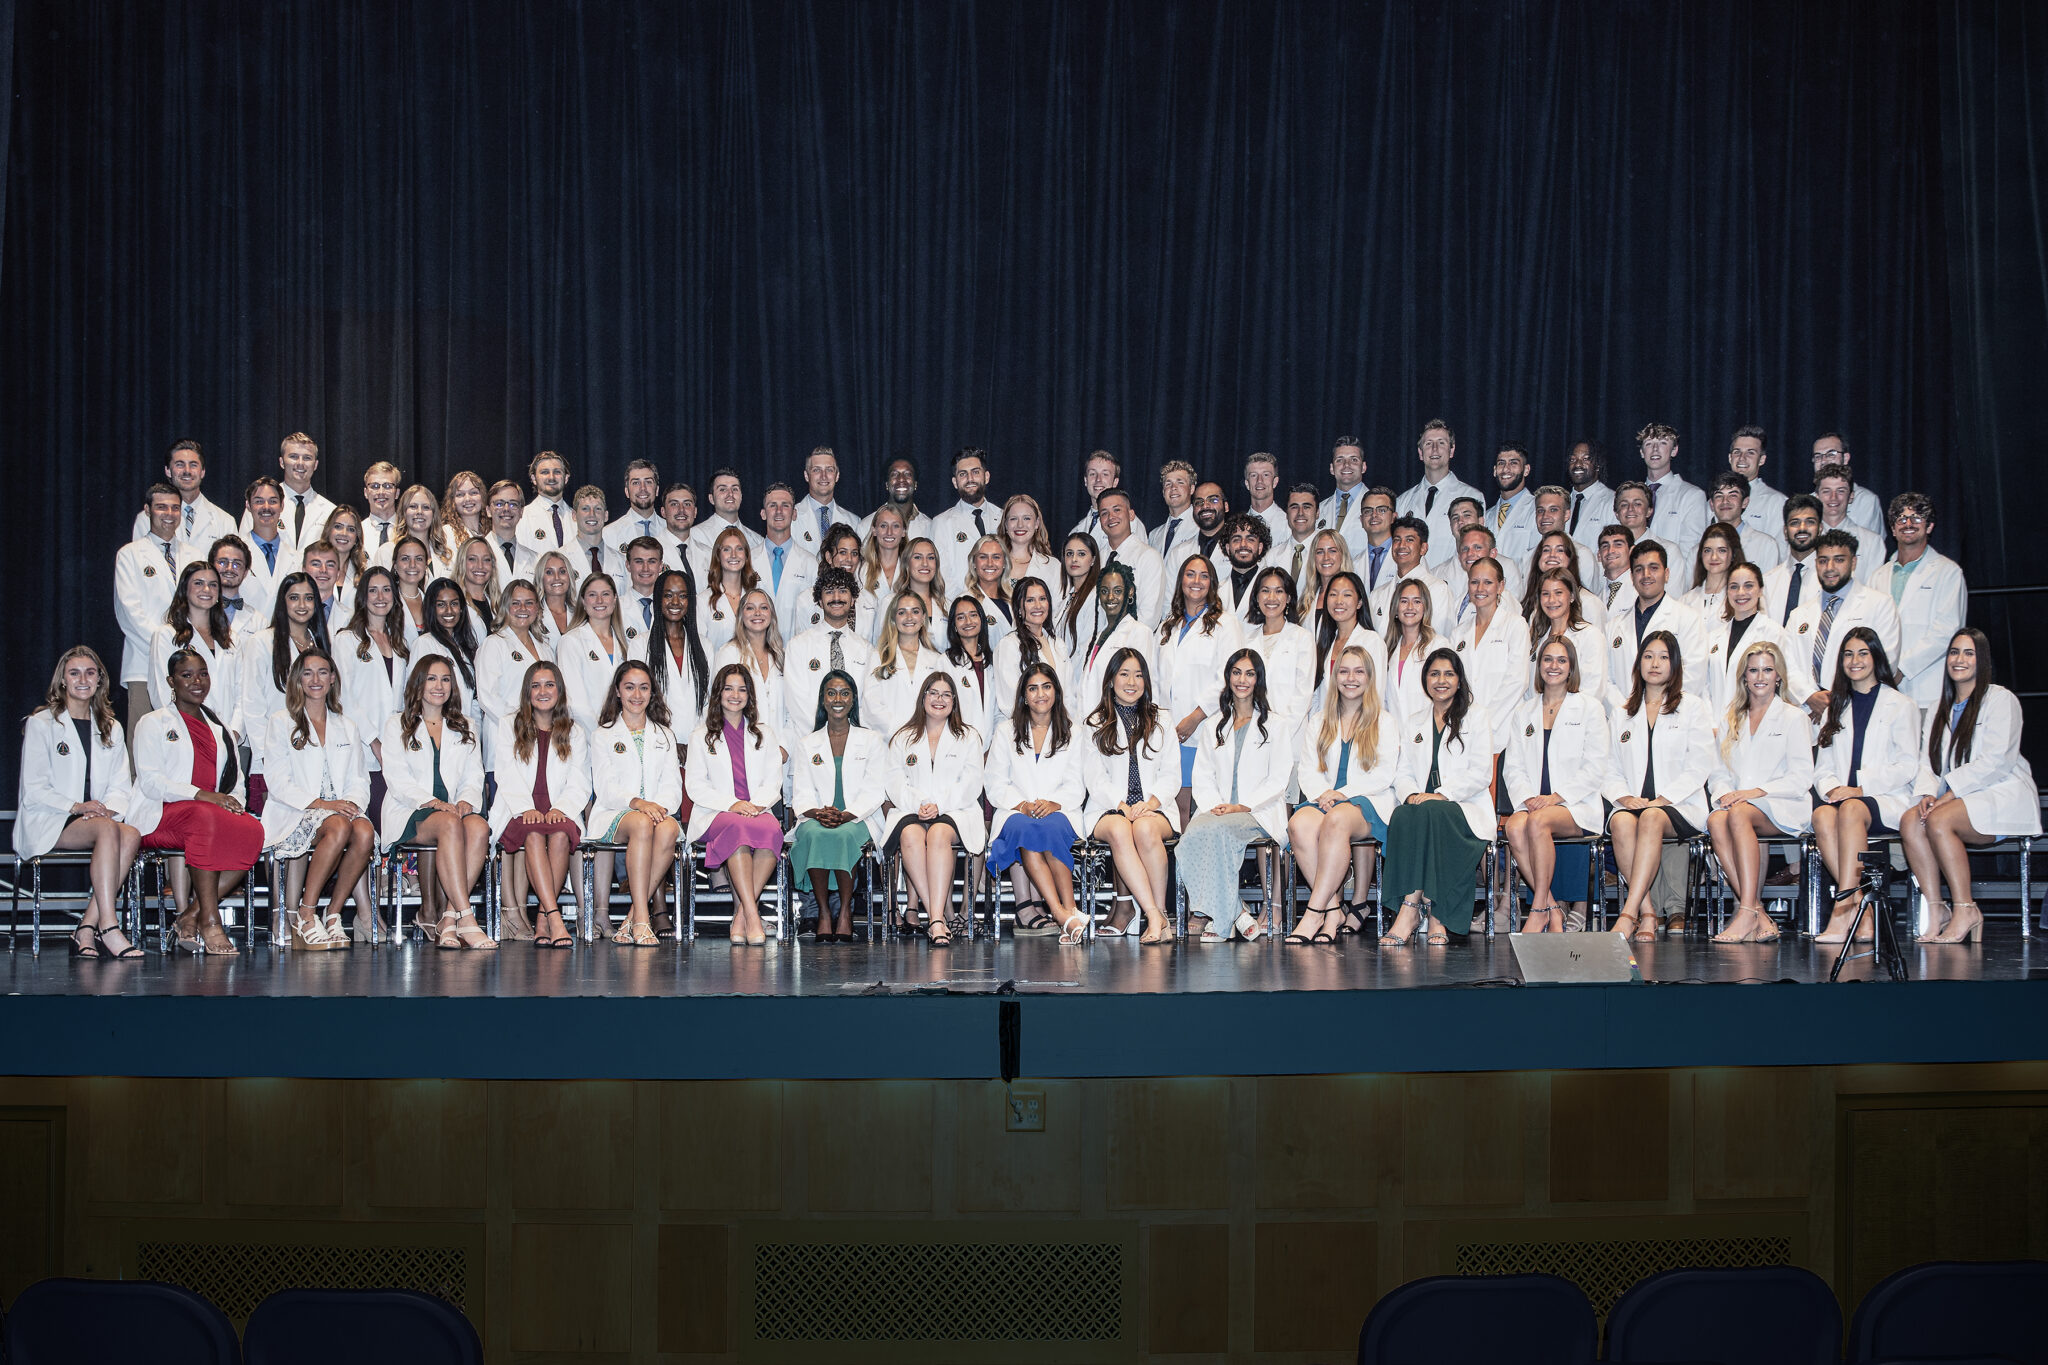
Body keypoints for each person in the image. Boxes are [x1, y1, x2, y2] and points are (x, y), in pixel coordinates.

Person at [1902, 628, 2041, 944]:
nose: (1959, 659)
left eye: (1968, 653)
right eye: (1954, 652)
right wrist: (1928, 793)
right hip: (1958, 798)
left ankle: (1965, 908)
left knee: (1939, 819)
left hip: (2001, 793)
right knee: (1911, 820)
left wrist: (1950, 793)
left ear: (1982, 660)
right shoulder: (1939, 707)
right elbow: (1927, 762)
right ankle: (1937, 908)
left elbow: (1997, 761)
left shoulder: (2000, 699)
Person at [15, 647, 150, 958]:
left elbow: (121, 785)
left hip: (95, 818)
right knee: (107, 829)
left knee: (131, 834)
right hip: (50, 817)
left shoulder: (111, 726)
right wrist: (78, 807)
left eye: (90, 673)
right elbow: (34, 788)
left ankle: (86, 927)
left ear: (100, 679)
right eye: (74, 673)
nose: (83, 679)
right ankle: (109, 926)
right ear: (62, 680)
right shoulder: (42, 723)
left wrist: (106, 809)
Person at [134, 649, 265, 954]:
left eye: (203, 674)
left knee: (253, 830)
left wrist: (232, 801)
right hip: (161, 814)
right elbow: (151, 782)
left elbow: (235, 781)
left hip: (208, 813)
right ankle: (210, 920)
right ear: (171, 681)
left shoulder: (220, 727)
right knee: (204, 818)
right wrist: (202, 795)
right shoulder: (152, 722)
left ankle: (190, 915)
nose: (197, 681)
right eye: (187, 675)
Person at [1500, 638, 1623, 932]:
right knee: (1514, 827)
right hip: (1534, 804)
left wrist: (1556, 797)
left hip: (1575, 805)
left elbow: (1596, 765)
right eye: (1547, 659)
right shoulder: (1523, 712)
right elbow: (1513, 767)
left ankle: (1538, 908)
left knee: (1537, 822)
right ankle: (1552, 907)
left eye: (1561, 660)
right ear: (1539, 665)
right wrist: (1528, 797)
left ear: (1571, 668)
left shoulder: (1589, 708)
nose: (1553, 666)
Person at [1809, 628, 1921, 943]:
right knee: (1821, 815)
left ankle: (1843, 907)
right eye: (1848, 654)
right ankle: (1863, 909)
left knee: (1851, 810)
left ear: (1876, 658)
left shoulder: (1901, 704)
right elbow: (1823, 768)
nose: (1854, 660)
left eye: (1862, 653)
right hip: (1844, 801)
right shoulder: (1836, 706)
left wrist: (1859, 789)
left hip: (1886, 798)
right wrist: (1832, 789)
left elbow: (1908, 766)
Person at [262, 648, 377, 949]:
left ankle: (333, 913)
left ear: (333, 679)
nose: (315, 679)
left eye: (322, 672)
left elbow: (359, 779)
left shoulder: (347, 725)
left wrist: (351, 804)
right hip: (296, 809)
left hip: (339, 809)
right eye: (308, 673)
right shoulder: (281, 721)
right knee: (338, 826)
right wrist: (324, 805)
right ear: (298, 680)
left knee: (365, 831)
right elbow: (277, 781)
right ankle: (306, 913)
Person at [1381, 648, 1496, 946]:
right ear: (1425, 680)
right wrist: (1411, 795)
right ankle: (1416, 908)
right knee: (1402, 814)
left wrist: (1441, 795)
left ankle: (1427, 912)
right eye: (1434, 674)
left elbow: (1481, 772)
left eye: (1448, 674)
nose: (1441, 680)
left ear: (1459, 680)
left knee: (1433, 812)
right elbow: (1402, 770)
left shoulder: (1476, 716)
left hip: (1465, 809)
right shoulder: (1414, 721)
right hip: (1424, 809)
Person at [378, 654, 493, 950]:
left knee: (479, 827)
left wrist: (466, 800)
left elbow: (474, 774)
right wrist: (432, 802)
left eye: (445, 679)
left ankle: (449, 917)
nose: (439, 686)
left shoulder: (465, 725)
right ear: (418, 683)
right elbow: (397, 779)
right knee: (450, 824)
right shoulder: (396, 724)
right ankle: (466, 918)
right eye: (431, 679)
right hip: (410, 810)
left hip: (452, 809)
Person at [1606, 632, 1715, 940]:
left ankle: (1628, 913)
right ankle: (1648, 912)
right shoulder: (1622, 713)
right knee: (1621, 822)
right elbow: (1608, 767)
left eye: (1663, 657)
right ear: (1638, 663)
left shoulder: (1692, 707)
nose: (1655, 663)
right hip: (1635, 804)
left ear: (1674, 664)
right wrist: (1624, 797)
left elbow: (1700, 764)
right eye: (1648, 656)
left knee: (1653, 817)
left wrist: (1664, 799)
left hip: (1679, 805)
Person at [1706, 641, 1816, 944]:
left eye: (1767, 670)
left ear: (1778, 676)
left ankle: (1745, 911)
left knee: (1739, 814)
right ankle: (1756, 911)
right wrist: (1726, 794)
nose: (1760, 677)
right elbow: (1718, 773)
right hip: (1742, 804)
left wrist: (1755, 792)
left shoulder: (1794, 717)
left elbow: (1801, 777)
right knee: (1716, 820)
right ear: (1744, 676)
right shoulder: (1732, 717)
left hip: (1784, 804)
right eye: (1753, 670)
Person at [1179, 650, 1292, 943]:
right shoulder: (1214, 725)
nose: (1242, 680)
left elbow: (1278, 778)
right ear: (1228, 677)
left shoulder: (1276, 724)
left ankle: (1222, 920)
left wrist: (1242, 806)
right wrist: (1216, 806)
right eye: (1237, 672)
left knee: (1217, 832)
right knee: (1189, 838)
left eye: (1250, 673)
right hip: (1217, 811)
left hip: (1258, 811)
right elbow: (1203, 775)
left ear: (1258, 680)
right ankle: (1235, 911)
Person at [1286, 645, 1396, 941]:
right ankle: (1333, 909)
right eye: (1344, 671)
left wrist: (1341, 794)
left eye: (1359, 672)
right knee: (1298, 824)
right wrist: (1324, 794)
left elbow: (1384, 774)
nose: (1351, 678)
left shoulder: (1384, 721)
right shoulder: (1319, 719)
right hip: (1324, 799)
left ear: (1370, 678)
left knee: (1336, 820)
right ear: (1335, 677)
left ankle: (1313, 914)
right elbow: (1307, 769)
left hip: (1368, 802)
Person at [1078, 648, 1181, 942]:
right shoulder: (1094, 723)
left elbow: (1172, 773)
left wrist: (1150, 804)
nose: (1132, 682)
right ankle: (1155, 916)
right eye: (1124, 674)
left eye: (1138, 675)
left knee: (1145, 828)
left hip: (1155, 806)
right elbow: (1095, 778)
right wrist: (1122, 806)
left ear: (1146, 681)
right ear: (1111, 680)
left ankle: (1159, 913)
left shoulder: (1162, 719)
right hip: (1108, 807)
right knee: (1121, 829)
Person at [685, 664, 789, 947]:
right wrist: (733, 804)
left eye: (742, 689)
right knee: (738, 828)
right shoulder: (700, 736)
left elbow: (773, 780)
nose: (735, 695)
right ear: (719, 693)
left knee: (771, 830)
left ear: (749, 696)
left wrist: (754, 806)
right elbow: (695, 786)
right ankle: (753, 916)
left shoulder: (764, 734)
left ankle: (741, 915)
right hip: (716, 813)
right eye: (729, 688)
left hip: (756, 810)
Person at [882, 671, 988, 944]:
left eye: (946, 695)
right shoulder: (903, 737)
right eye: (933, 693)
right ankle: (937, 918)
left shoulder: (968, 737)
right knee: (910, 835)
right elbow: (894, 782)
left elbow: (972, 782)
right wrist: (919, 804)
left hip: (957, 810)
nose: (939, 699)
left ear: (954, 701)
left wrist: (939, 804)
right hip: (912, 810)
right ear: (923, 697)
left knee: (939, 833)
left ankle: (935, 918)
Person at [986, 662, 1089, 942]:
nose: (1040, 694)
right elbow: (995, 782)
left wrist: (1055, 803)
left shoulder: (1074, 732)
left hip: (1060, 809)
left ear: (1056, 691)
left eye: (1046, 687)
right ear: (1023, 696)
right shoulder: (1006, 731)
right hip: (1015, 810)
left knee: (1049, 828)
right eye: (1032, 688)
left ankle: (1065, 910)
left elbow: (1077, 783)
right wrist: (1021, 805)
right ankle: (1064, 913)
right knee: (1024, 828)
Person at [587, 660, 685, 944]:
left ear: (652, 692)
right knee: (642, 823)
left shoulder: (664, 734)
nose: (637, 695)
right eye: (629, 687)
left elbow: (672, 785)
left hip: (656, 812)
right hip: (615, 813)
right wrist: (640, 804)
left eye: (644, 687)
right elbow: (605, 788)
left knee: (669, 828)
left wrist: (658, 808)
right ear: (618, 691)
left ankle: (632, 918)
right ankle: (643, 917)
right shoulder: (603, 734)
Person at [789, 670, 885, 942]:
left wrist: (845, 816)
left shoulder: (871, 740)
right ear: (823, 700)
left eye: (844, 693)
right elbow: (802, 792)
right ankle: (822, 911)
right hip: (817, 817)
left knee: (843, 835)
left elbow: (874, 789)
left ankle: (844, 912)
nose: (838, 699)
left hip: (858, 818)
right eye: (831, 693)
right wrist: (819, 814)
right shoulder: (808, 743)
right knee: (813, 833)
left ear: (853, 699)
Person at [1157, 553, 1246, 821]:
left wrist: (1195, 717)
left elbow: (1230, 677)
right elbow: (1157, 678)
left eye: (1204, 576)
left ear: (1212, 583)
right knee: (1176, 809)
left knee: (1202, 809)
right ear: (1180, 580)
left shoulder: (1225, 624)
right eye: (1190, 574)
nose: (1196, 581)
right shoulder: (1168, 626)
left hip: (1205, 726)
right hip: (1171, 730)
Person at [1783, 530, 1903, 720]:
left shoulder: (1879, 604)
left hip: (1857, 709)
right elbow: (1786, 663)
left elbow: (1886, 661)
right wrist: (1809, 696)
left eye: (1839, 560)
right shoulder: (1799, 614)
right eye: (1823, 561)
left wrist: (1838, 701)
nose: (1830, 567)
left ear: (1853, 562)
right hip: (1807, 713)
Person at [239, 571, 331, 813]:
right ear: (283, 602)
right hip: (274, 755)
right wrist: (266, 756)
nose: (302, 605)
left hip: (312, 755)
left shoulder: (321, 644)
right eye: (294, 597)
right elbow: (252, 704)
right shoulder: (262, 642)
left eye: (308, 598)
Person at [331, 565, 412, 826]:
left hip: (394, 748)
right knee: (370, 823)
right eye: (373, 590)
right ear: (362, 597)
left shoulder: (399, 643)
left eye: (386, 590)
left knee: (394, 825)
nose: (380, 597)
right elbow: (343, 696)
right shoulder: (347, 639)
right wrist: (374, 741)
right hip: (363, 748)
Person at [117, 483, 200, 730]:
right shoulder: (130, 554)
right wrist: (165, 644)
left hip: (188, 661)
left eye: (175, 508)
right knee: (144, 735)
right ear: (147, 510)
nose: (169, 514)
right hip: (143, 662)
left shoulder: (194, 555)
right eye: (161, 507)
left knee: (185, 738)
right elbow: (129, 612)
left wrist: (183, 647)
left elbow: (201, 608)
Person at [1879, 492, 1967, 711]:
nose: (1908, 524)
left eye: (1917, 518)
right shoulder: (1877, 576)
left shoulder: (1948, 572)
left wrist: (1901, 669)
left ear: (1929, 527)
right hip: (1883, 689)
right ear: (1893, 529)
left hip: (1928, 688)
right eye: (1901, 518)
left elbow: (1946, 631)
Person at [1700, 562, 1811, 713]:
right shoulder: (1714, 637)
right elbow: (1705, 686)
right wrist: (1710, 721)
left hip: (1756, 720)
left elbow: (1786, 677)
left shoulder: (1773, 633)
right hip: (1716, 722)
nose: (1741, 592)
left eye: (1748, 586)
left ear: (1760, 591)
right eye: (1734, 587)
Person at [1449, 558, 1527, 770]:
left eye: (1488, 582)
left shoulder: (1515, 625)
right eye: (1474, 582)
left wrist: (1484, 723)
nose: (1480, 588)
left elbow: (1517, 681)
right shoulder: (1458, 633)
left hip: (1503, 732)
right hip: (1466, 731)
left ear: (1501, 586)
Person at [1606, 541, 1708, 700]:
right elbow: (1607, 680)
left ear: (1666, 574)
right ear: (1632, 577)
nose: (1646, 575)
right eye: (1639, 569)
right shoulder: (1613, 626)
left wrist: (1657, 708)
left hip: (1671, 711)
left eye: (1653, 568)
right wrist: (1625, 709)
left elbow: (1693, 676)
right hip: (1624, 712)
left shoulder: (1688, 619)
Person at [474, 579, 554, 776]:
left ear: (537, 608)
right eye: (515, 603)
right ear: (505, 607)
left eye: (529, 603)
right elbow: (487, 697)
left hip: (542, 740)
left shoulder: (545, 648)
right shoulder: (494, 644)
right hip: (506, 739)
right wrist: (523, 724)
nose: (522, 609)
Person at [149, 562, 240, 733]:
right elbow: (161, 692)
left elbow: (241, 691)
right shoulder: (166, 635)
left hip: (227, 733)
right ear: (185, 589)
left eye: (213, 585)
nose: (206, 589)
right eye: (198, 583)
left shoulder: (232, 638)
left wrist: (234, 732)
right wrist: (186, 731)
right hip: (186, 731)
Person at [784, 567, 875, 729]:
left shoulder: (866, 650)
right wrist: (825, 734)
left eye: (843, 591)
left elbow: (868, 702)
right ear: (820, 601)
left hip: (855, 736)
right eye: (829, 592)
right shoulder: (797, 646)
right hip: (810, 735)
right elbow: (797, 702)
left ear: (853, 600)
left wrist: (850, 734)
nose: (836, 597)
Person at [1072, 562, 1155, 719]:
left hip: (1118, 725)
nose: (1110, 597)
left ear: (1130, 592)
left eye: (1117, 591)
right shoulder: (1096, 638)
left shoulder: (1140, 633)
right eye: (1104, 591)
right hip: (1089, 723)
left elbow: (1141, 689)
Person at [1244, 567, 1315, 741]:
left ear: (1288, 598)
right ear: (1257, 597)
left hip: (1290, 737)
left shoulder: (1302, 638)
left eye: (1279, 591)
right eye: (1265, 591)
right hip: (1252, 734)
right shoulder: (1246, 640)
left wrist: (1279, 736)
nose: (1271, 597)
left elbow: (1303, 695)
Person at [1526, 568, 1610, 713]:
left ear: (1571, 596)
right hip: (1540, 717)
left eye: (1558, 593)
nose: (1551, 600)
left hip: (1577, 718)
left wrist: (1562, 717)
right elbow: (1530, 689)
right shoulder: (1536, 638)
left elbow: (1594, 688)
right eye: (1545, 594)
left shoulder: (1590, 635)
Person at [557, 573, 632, 732]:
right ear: (583, 601)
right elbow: (575, 703)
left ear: (614, 599)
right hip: (587, 733)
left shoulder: (625, 643)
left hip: (622, 733)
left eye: (605, 594)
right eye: (592, 595)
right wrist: (601, 735)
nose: (599, 600)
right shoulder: (571, 641)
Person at [131, 440, 239, 551]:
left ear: (202, 472)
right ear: (168, 471)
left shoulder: (225, 521)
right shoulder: (146, 519)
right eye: (180, 465)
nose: (187, 471)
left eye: (193, 465)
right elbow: (141, 558)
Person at [991, 576, 1067, 731]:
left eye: (1042, 599)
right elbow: (1010, 701)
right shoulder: (1009, 645)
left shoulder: (1058, 644)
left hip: (1061, 728)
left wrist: (1065, 726)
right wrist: (1040, 727)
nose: (1038, 605)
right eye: (1030, 600)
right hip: (1027, 731)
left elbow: (1070, 696)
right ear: (1019, 608)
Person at [1396, 421, 1482, 556]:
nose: (1434, 449)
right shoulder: (1403, 501)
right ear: (1420, 453)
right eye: (1428, 443)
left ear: (1451, 450)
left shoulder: (1472, 497)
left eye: (1441, 443)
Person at [647, 569, 714, 741]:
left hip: (697, 742)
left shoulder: (704, 645)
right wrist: (669, 740)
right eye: (668, 595)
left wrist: (695, 740)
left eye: (683, 596)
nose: (675, 602)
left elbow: (709, 699)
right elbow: (639, 700)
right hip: (657, 742)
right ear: (658, 599)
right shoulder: (641, 645)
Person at [714, 588, 790, 737]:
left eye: (764, 607)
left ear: (772, 615)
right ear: (741, 615)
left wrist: (784, 745)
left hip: (780, 745)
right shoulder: (728, 653)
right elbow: (720, 705)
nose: (757, 613)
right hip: (743, 743)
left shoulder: (782, 656)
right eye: (750, 608)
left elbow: (792, 709)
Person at [866, 590, 943, 737]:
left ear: (923, 618)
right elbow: (871, 704)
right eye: (902, 612)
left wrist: (924, 734)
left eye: (915, 611)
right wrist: (901, 733)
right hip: (889, 740)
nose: (909, 617)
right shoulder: (878, 657)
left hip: (927, 739)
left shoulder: (937, 660)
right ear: (893, 618)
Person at [1366, 516, 1451, 636]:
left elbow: (1441, 635)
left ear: (1423, 548)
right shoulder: (1378, 594)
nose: (1402, 545)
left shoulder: (1437, 589)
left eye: (1409, 540)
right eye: (1397, 540)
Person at [1094, 488, 1166, 625]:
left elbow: (1149, 617)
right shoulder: (1096, 559)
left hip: (1132, 637)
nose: (1111, 517)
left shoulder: (1148, 557)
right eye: (1104, 513)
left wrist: (1113, 637)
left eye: (1117, 510)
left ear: (1131, 515)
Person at [931, 447, 1000, 589]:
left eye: (975, 472)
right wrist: (966, 601)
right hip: (958, 601)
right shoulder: (941, 523)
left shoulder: (1003, 518)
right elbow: (941, 576)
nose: (970, 479)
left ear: (986, 477)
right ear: (955, 482)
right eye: (963, 474)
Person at [757, 482, 819, 638]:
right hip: (756, 647)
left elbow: (816, 614)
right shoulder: (748, 560)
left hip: (797, 647)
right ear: (763, 514)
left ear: (794, 514)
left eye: (785, 505)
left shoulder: (810, 563)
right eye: (772, 505)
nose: (779, 511)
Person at [422, 577, 485, 726]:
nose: (449, 610)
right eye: (441, 605)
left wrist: (474, 732)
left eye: (454, 604)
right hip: (439, 729)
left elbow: (472, 699)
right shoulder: (425, 643)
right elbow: (419, 694)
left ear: (462, 608)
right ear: (431, 608)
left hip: (465, 729)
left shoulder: (466, 647)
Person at [1635, 422, 1709, 549]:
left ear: (1674, 450)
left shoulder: (1692, 495)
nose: (1655, 449)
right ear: (1642, 452)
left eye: (1663, 443)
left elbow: (1691, 548)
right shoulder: (1632, 495)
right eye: (1649, 443)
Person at [1066, 450, 1149, 557]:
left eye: (1105, 474)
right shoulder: (1077, 530)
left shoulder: (1130, 523)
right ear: (1086, 481)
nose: (1098, 479)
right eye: (1092, 474)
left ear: (1115, 482)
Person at [1814, 464, 1887, 583]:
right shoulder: (1807, 541)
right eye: (1826, 491)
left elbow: (1872, 588)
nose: (1833, 497)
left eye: (1841, 491)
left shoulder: (1872, 542)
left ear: (1851, 496)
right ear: (1817, 497)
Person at [1383, 580, 1440, 732]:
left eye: (1417, 601)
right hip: (1394, 736)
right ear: (1395, 608)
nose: (1410, 607)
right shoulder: (1387, 649)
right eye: (1404, 601)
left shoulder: (1437, 646)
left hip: (1426, 734)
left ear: (1425, 607)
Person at [240, 475, 298, 621]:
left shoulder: (296, 557)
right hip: (245, 630)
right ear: (248, 505)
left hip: (284, 631)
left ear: (282, 506)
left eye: (273, 501)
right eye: (259, 501)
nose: (266, 507)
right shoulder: (237, 554)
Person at [689, 468, 768, 568]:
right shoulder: (694, 536)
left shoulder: (757, 541)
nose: (730, 494)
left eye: (735, 489)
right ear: (711, 498)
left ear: (741, 497)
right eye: (722, 489)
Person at [1763, 494, 1824, 622]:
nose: (1802, 528)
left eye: (1810, 522)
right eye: (1795, 523)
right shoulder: (1769, 581)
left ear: (1820, 529)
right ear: (1785, 531)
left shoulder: (1830, 579)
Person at [1810, 431, 1885, 533]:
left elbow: (1867, 540)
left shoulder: (1866, 501)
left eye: (1831, 454)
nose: (1823, 461)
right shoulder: (1807, 503)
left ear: (1845, 458)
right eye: (1818, 456)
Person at [1704, 473, 1783, 570]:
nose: (1725, 501)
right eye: (1719, 496)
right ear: (1712, 504)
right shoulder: (1699, 549)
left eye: (1733, 495)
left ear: (1745, 502)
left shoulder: (1766, 545)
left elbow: (1769, 579)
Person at [944, 596, 998, 739]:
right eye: (961, 617)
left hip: (990, 745)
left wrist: (994, 744)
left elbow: (998, 711)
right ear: (954, 625)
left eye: (973, 615)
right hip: (958, 742)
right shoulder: (945, 662)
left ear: (981, 620)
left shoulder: (993, 661)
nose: (968, 621)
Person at [1724, 426, 1788, 546]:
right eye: (1737, 452)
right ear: (1730, 458)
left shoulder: (1776, 502)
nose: (1742, 458)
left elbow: (1779, 549)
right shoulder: (1716, 501)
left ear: (1762, 460)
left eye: (1750, 453)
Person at [793, 445, 860, 554]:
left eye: (829, 470)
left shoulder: (854, 522)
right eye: (816, 470)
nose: (823, 476)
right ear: (806, 476)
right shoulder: (791, 519)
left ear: (837, 476)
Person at [1483, 444, 1541, 565]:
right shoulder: (1487, 515)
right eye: (1501, 463)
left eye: (1513, 463)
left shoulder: (1537, 510)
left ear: (1526, 470)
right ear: (1494, 470)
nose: (1506, 469)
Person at [602, 458, 668, 562]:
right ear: (627, 491)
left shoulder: (669, 530)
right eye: (636, 483)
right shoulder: (609, 534)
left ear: (657, 490)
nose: (643, 488)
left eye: (648, 482)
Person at [859, 456, 933, 542]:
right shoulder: (866, 526)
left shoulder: (929, 527)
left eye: (907, 474)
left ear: (915, 484)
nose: (901, 479)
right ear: (887, 485)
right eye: (894, 474)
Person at [1212, 512, 1272, 618]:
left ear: (1260, 547)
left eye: (1250, 539)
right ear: (1228, 548)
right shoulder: (1216, 590)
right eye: (1236, 539)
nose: (1243, 544)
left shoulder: (1271, 587)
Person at [998, 492, 1062, 589]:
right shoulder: (992, 563)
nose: (1020, 525)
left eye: (1026, 518)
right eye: (1013, 519)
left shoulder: (1053, 567)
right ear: (1006, 524)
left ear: (1036, 523)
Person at [1265, 484, 1322, 590]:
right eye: (1294, 507)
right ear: (1287, 514)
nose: (1300, 513)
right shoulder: (1272, 556)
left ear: (1317, 513)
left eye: (1306, 507)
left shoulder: (1329, 554)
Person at [1682, 522, 1743, 619]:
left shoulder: (1742, 598)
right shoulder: (1685, 601)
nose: (1714, 557)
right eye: (1708, 550)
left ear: (1733, 554)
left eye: (1722, 550)